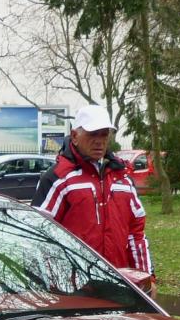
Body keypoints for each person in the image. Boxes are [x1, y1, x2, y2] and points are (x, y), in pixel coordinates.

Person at [32, 105, 151, 274]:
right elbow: (39, 235)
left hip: (119, 279)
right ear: (75, 136)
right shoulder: (58, 178)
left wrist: (146, 276)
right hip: (75, 283)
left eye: (104, 134)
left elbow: (136, 233)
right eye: (93, 134)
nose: (99, 141)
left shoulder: (122, 179)